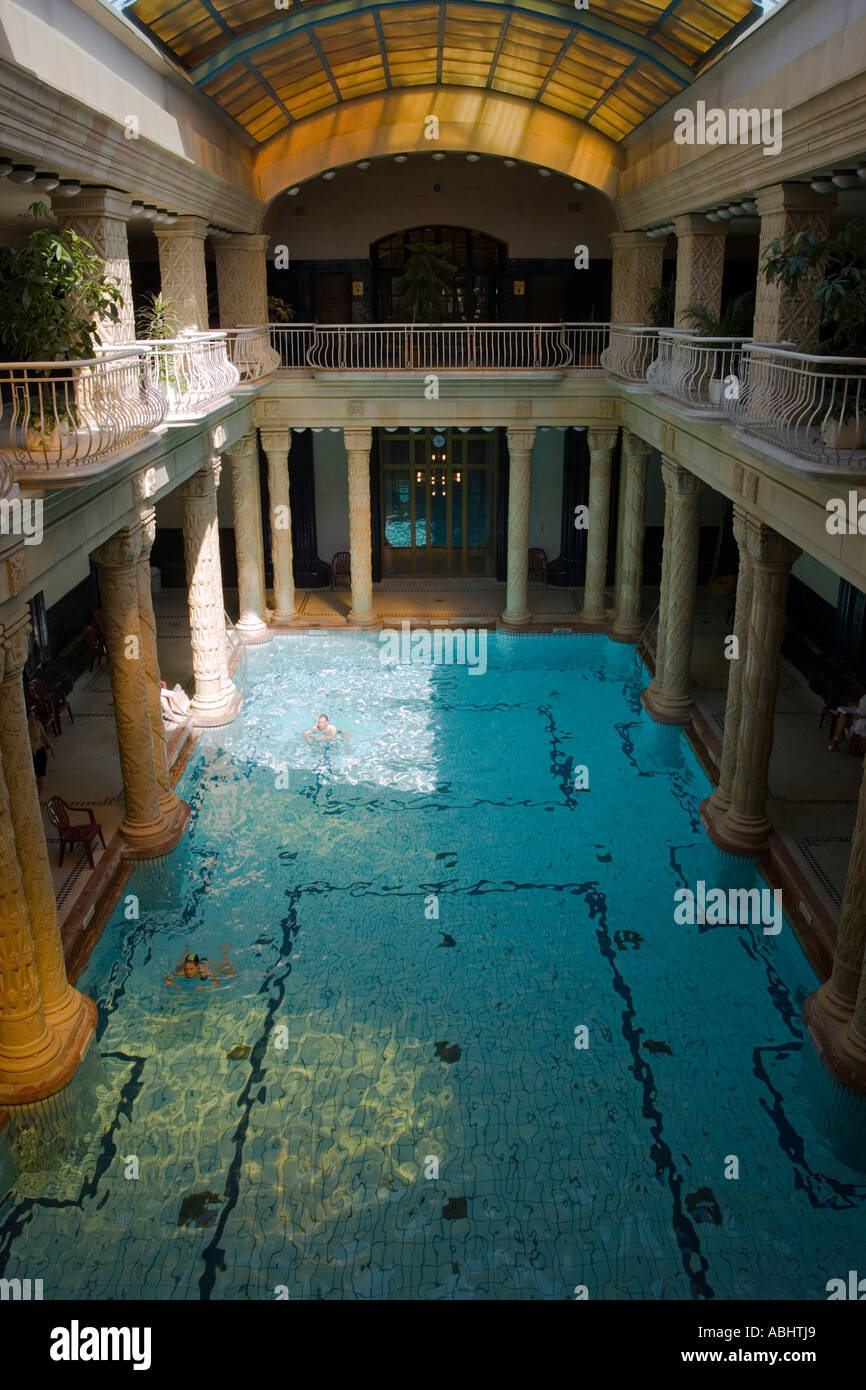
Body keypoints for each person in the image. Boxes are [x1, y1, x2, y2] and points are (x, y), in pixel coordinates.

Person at [164, 943, 236, 991]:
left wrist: (204, 988)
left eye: (191, 969)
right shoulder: (184, 971)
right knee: (178, 967)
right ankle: (186, 950)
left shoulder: (203, 972)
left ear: (197, 966)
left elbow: (217, 982)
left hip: (206, 963)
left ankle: (225, 951)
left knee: (230, 970)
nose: (188, 971)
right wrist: (174, 986)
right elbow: (167, 979)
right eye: (187, 969)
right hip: (194, 961)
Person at [828, 687, 866, 751]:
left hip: (862, 718)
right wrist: (852, 705)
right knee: (843, 714)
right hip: (857, 712)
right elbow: (861, 704)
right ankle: (836, 740)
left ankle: (837, 740)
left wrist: (859, 716)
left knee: (848, 718)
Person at [28, 707, 53, 786]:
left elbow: (44, 736)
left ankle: (41, 793)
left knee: (40, 776)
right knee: (32, 775)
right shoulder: (24, 728)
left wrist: (51, 747)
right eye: (30, 717)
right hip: (30, 754)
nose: (33, 719)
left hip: (40, 752)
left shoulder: (38, 724)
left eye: (33, 716)